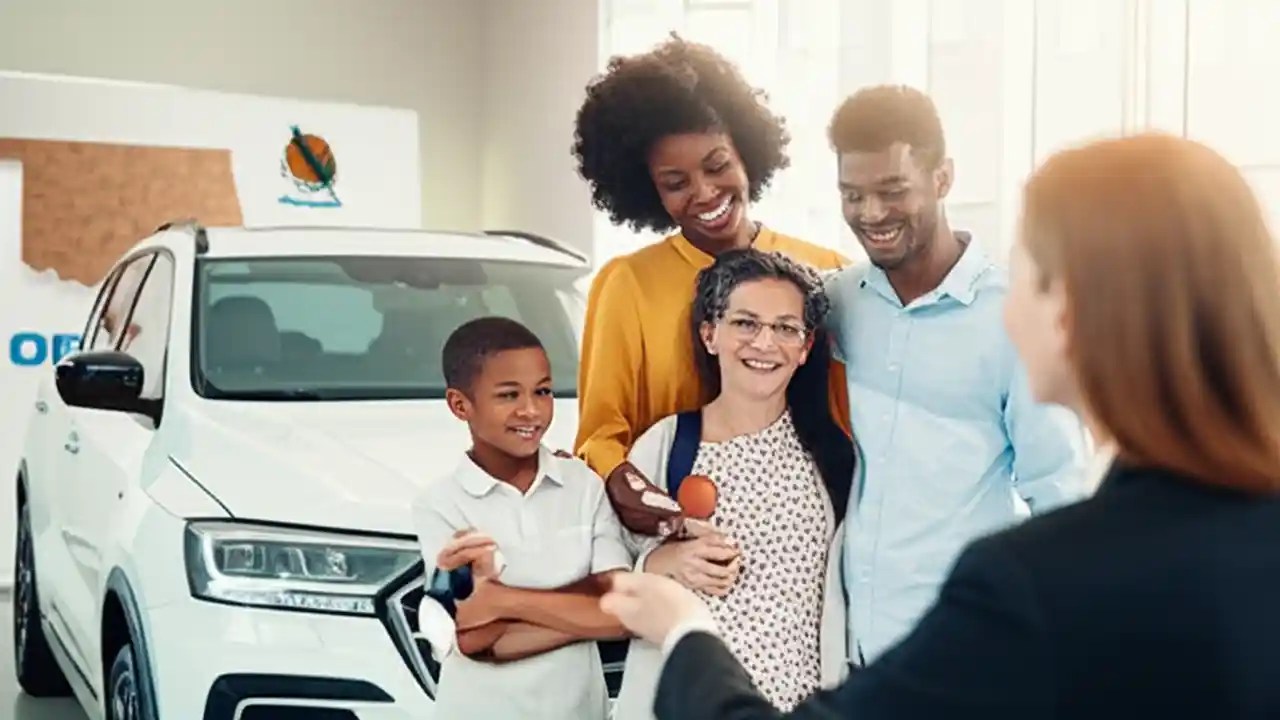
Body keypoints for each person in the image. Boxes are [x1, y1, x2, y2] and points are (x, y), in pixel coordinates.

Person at [598, 131, 1280, 719]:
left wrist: (685, 629)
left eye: (1027, 281)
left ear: (1072, 314)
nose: (1005, 309)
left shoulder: (1031, 582)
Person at [822, 85, 1090, 663]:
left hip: (967, 649)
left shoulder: (1012, 316)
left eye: (892, 191)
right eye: (853, 195)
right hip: (854, 650)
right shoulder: (840, 301)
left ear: (942, 179)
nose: (870, 214)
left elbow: (1059, 490)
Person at [571, 34, 850, 480]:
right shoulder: (629, 284)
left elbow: (850, 423)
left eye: (717, 165)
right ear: (649, 191)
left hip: (807, 524)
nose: (704, 193)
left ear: (746, 151)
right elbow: (599, 439)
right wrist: (642, 503)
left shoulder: (830, 271)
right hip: (672, 526)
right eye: (675, 183)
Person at [611, 249, 855, 720]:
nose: (765, 343)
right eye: (745, 323)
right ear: (710, 334)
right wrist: (666, 561)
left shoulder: (833, 458)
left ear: (805, 348)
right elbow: (609, 585)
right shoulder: (664, 449)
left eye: (786, 328)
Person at [410, 316, 634, 720]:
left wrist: (504, 602)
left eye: (543, 391)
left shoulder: (584, 486)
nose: (531, 410)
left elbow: (620, 609)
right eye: (508, 395)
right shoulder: (441, 504)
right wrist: (586, 611)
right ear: (460, 405)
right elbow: (477, 639)